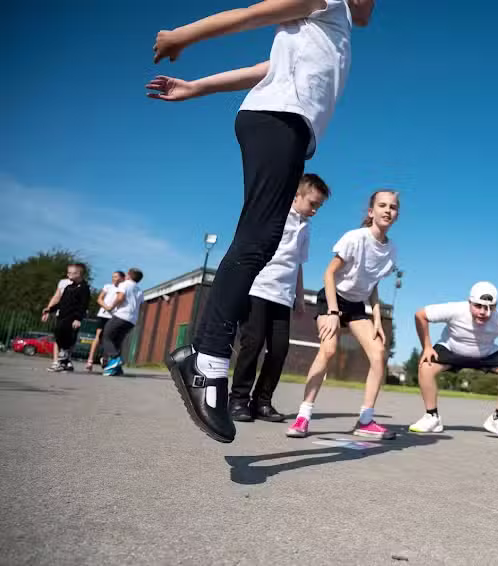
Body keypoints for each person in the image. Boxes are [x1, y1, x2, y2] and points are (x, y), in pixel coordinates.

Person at [149, 0, 376, 444]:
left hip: (283, 120)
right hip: (278, 119)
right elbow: (254, 13)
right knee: (258, 236)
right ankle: (208, 360)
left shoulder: (334, 27)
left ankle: (203, 357)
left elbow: (264, 68)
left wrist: (196, 87)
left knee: (263, 236)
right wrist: (182, 36)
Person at [287, 190, 399, 440]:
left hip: (358, 305)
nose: (387, 210)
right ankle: (303, 416)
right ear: (371, 212)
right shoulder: (355, 238)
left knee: (379, 353)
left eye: (392, 207)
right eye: (382, 205)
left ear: (396, 215)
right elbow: (329, 274)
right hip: (332, 298)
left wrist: (378, 319)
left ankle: (366, 420)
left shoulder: (391, 250)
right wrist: (334, 312)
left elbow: (373, 285)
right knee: (328, 349)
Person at [229, 174, 330, 423]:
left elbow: (298, 265)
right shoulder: (276, 216)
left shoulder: (305, 229)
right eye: (312, 204)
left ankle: (262, 402)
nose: (315, 210)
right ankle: (238, 400)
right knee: (252, 345)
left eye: (319, 206)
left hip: (283, 298)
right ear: (297, 196)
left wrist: (298, 297)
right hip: (258, 290)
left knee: (279, 350)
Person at [407, 282, 498, 441]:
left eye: (489, 307)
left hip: (486, 353)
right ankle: (432, 417)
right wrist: (426, 346)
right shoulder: (455, 310)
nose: (483, 312)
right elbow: (421, 315)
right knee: (426, 365)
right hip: (452, 349)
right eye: (478, 306)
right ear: (469, 302)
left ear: (495, 306)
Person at [41, 264, 91, 372]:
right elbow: (61, 302)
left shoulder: (84, 288)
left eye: (72, 273)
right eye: (68, 272)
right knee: (58, 334)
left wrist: (78, 318)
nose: (69, 275)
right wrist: (50, 309)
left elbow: (83, 305)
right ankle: (64, 359)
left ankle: (63, 360)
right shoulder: (68, 287)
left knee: (68, 337)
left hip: (72, 317)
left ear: (79, 274)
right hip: (62, 315)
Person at [102, 268, 145, 376]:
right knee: (116, 341)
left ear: (129, 276)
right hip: (132, 320)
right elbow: (141, 306)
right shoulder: (139, 290)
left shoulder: (125, 284)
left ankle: (116, 358)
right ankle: (117, 370)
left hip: (121, 315)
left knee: (106, 337)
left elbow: (120, 297)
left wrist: (111, 307)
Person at [86, 271, 125, 371]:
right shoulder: (108, 286)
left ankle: (106, 359)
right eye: (113, 276)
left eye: (116, 277)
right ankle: (90, 360)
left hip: (115, 316)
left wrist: (114, 308)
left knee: (110, 339)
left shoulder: (123, 289)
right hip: (103, 315)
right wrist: (106, 307)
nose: (113, 278)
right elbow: (99, 299)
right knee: (98, 337)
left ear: (122, 278)